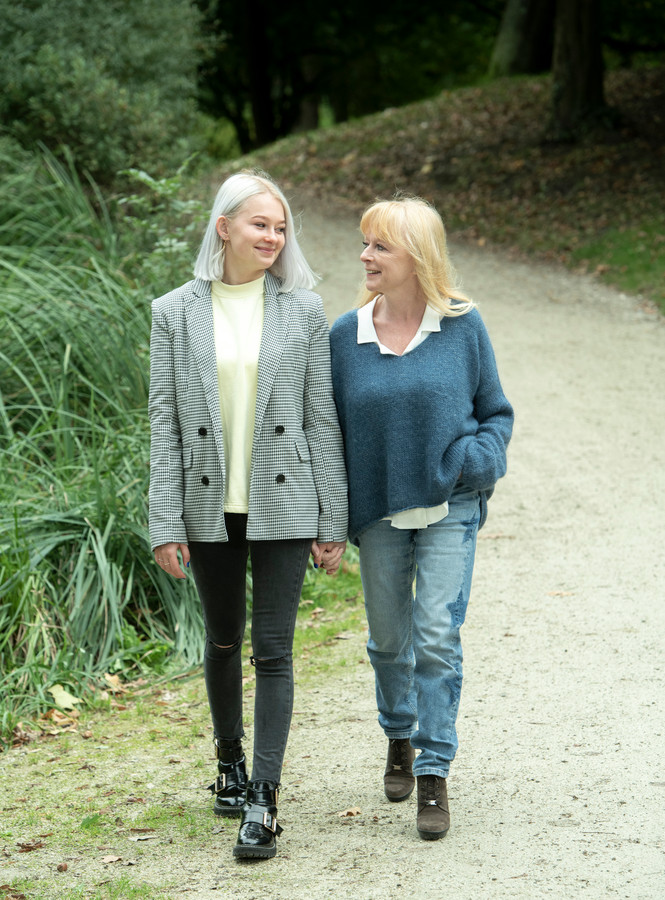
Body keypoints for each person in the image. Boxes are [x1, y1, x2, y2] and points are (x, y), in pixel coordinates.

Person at [148, 170, 347, 860]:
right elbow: (164, 424)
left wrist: (333, 519)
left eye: (281, 226)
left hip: (286, 501)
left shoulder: (304, 310)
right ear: (223, 227)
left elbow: (322, 419)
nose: (273, 236)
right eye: (260, 224)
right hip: (207, 503)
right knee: (224, 639)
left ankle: (263, 798)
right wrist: (163, 521)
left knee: (275, 649)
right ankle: (228, 761)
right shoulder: (172, 311)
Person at [329, 196, 513, 841]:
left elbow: (496, 413)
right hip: (378, 510)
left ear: (416, 255)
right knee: (387, 640)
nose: (365, 257)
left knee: (436, 634)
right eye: (365, 244)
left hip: (450, 505)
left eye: (379, 246)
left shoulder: (462, 326)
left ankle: (434, 771)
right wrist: (329, 518)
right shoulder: (344, 336)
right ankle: (398, 735)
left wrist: (475, 460)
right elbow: (331, 435)